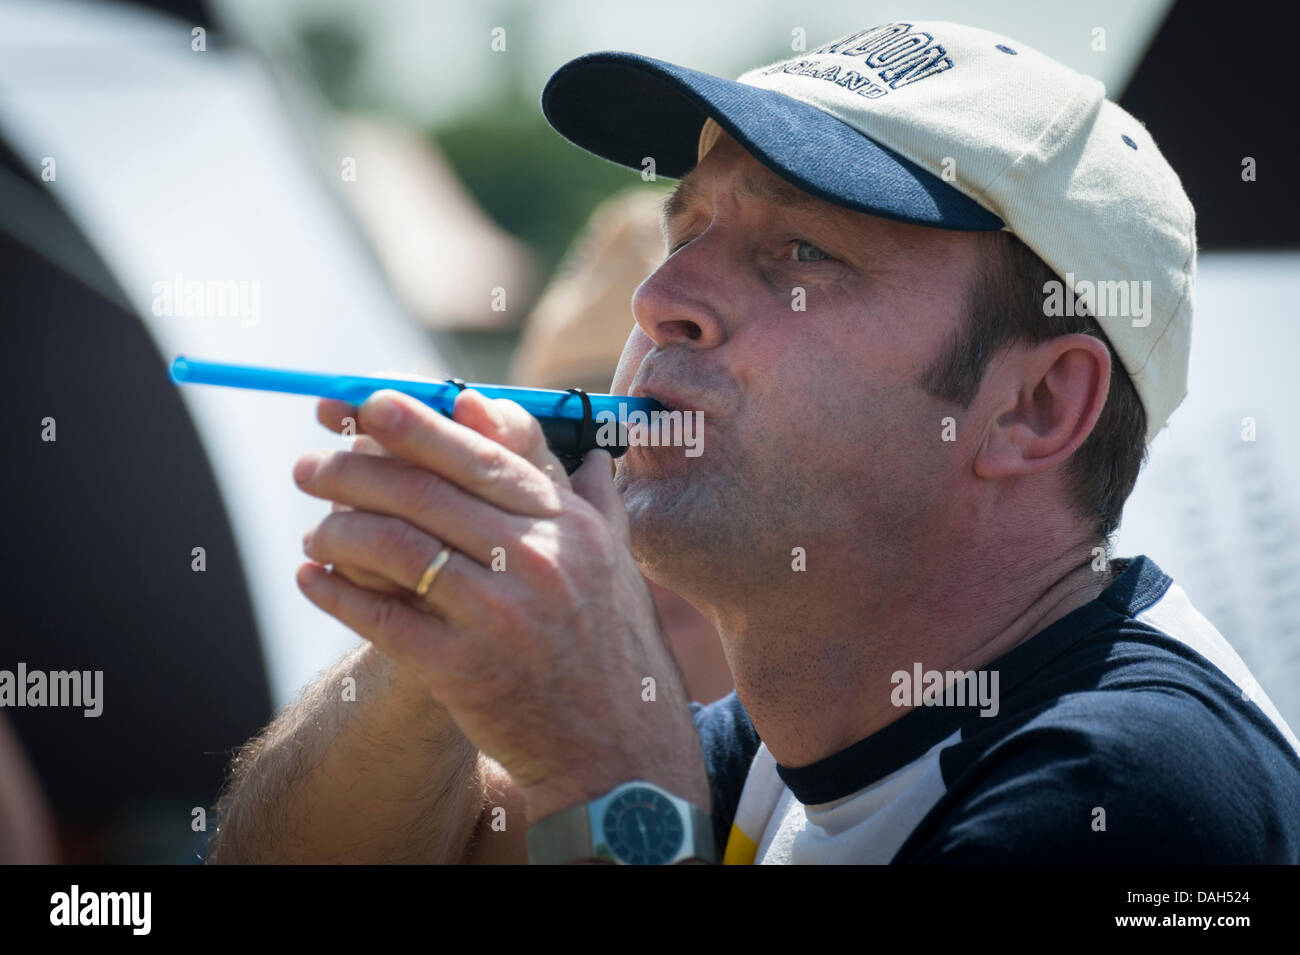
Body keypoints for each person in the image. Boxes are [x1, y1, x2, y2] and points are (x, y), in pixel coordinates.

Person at [208, 21, 1300, 864]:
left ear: (1035, 407)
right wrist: (438, 639)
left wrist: (602, 762)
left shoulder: (1130, 790)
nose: (660, 298)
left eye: (801, 250)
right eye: (686, 229)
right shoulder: (784, 747)